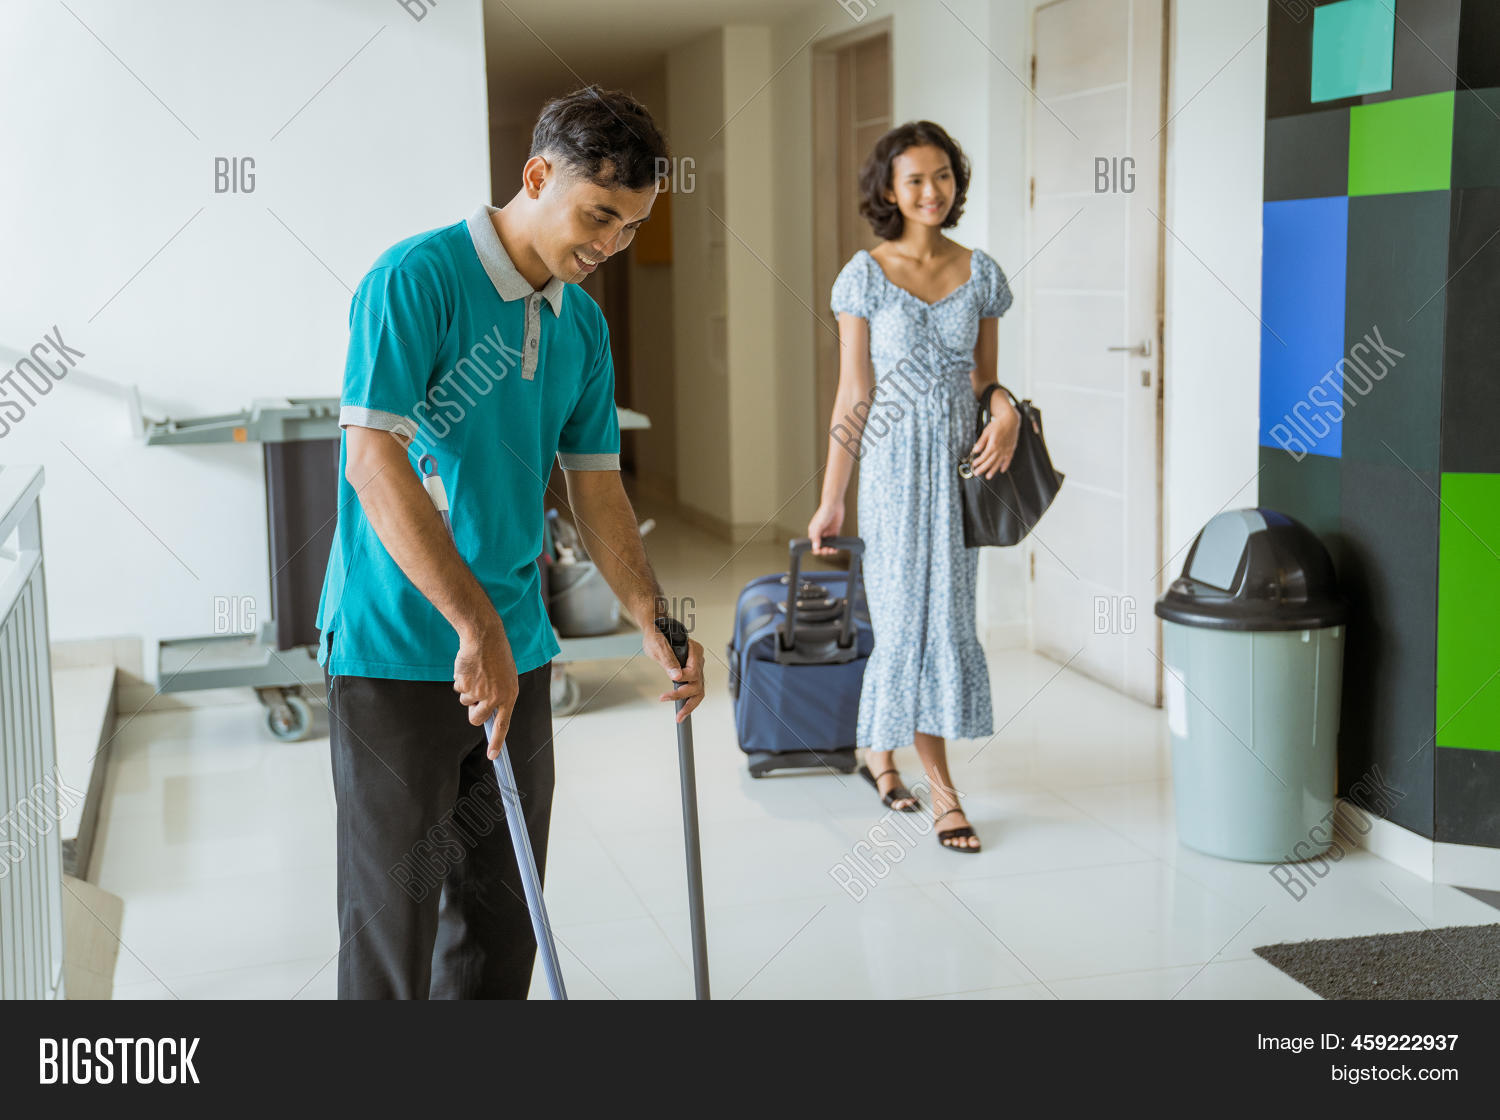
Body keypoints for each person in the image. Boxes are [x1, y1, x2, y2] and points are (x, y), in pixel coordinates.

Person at [315, 85, 704, 998]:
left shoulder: (582, 323)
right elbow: (375, 462)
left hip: (518, 652)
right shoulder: (417, 278)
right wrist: (472, 624)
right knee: (392, 931)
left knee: (501, 923)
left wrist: (651, 614)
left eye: (632, 227)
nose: (610, 245)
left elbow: (596, 483)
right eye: (599, 215)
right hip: (396, 654)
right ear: (536, 176)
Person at [808, 121, 1018, 854]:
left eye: (943, 177)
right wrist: (834, 496)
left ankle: (879, 752)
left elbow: (984, 378)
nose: (931, 191)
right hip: (895, 475)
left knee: (949, 623)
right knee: (906, 628)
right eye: (915, 179)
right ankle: (946, 798)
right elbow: (853, 397)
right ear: (889, 191)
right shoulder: (862, 277)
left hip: (961, 474)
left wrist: (1006, 409)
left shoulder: (980, 273)